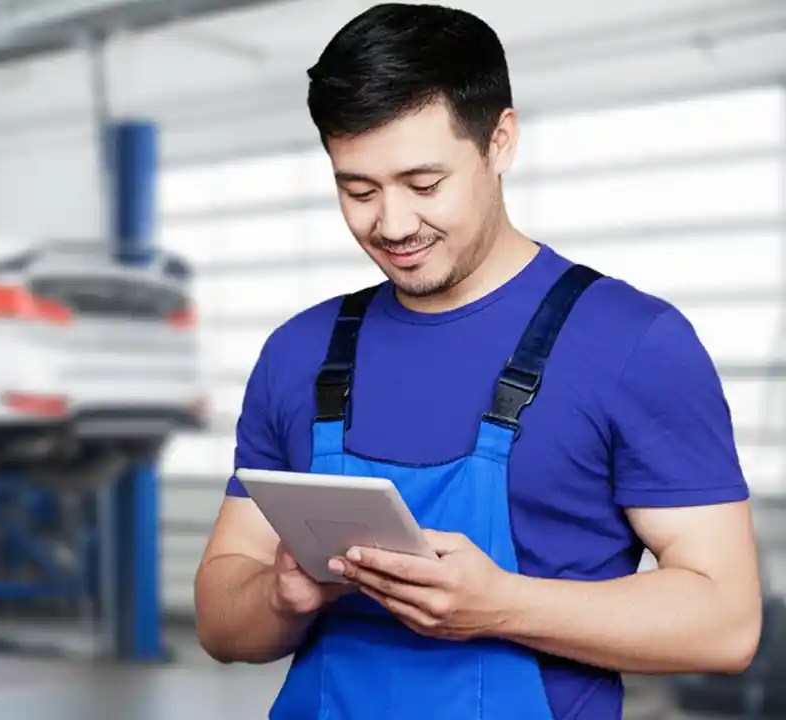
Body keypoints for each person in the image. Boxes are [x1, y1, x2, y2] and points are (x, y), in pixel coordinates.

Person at [192, 4, 763, 719]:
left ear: (500, 141)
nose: (392, 225)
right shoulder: (299, 352)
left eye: (425, 184)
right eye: (357, 189)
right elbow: (219, 619)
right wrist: (282, 597)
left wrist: (501, 606)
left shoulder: (634, 344)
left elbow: (726, 623)